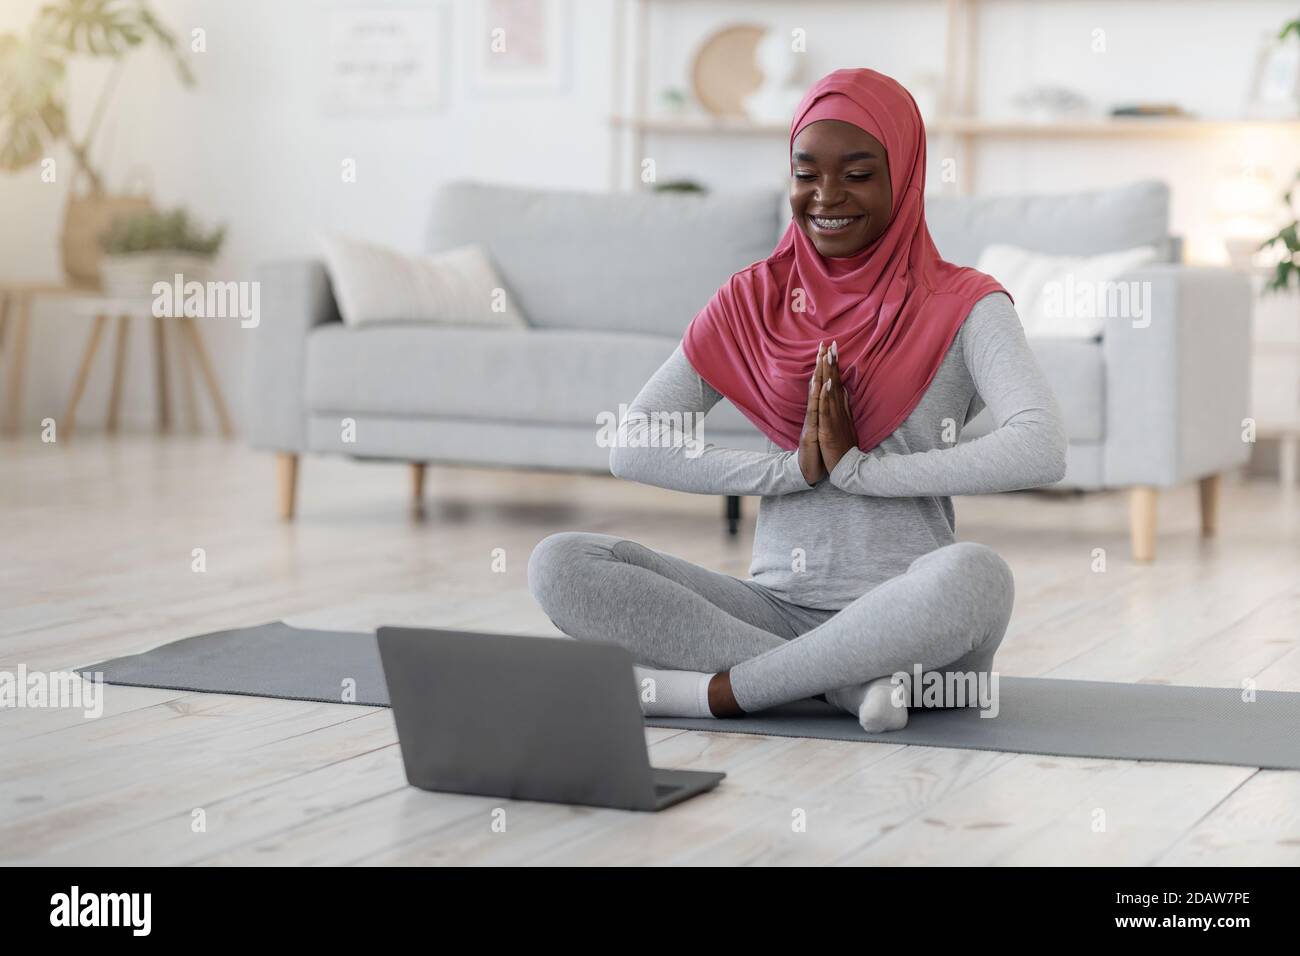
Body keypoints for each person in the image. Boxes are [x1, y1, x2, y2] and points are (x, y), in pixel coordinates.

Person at [527, 68, 1067, 732]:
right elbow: (633, 444)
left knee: (977, 574)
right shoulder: (752, 299)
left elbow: (1041, 446)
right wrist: (790, 471)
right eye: (806, 173)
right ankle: (843, 690)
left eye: (859, 174)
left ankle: (718, 694)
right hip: (775, 609)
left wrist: (864, 472)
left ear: (905, 178)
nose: (826, 196)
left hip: (916, 619)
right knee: (562, 562)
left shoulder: (967, 304)